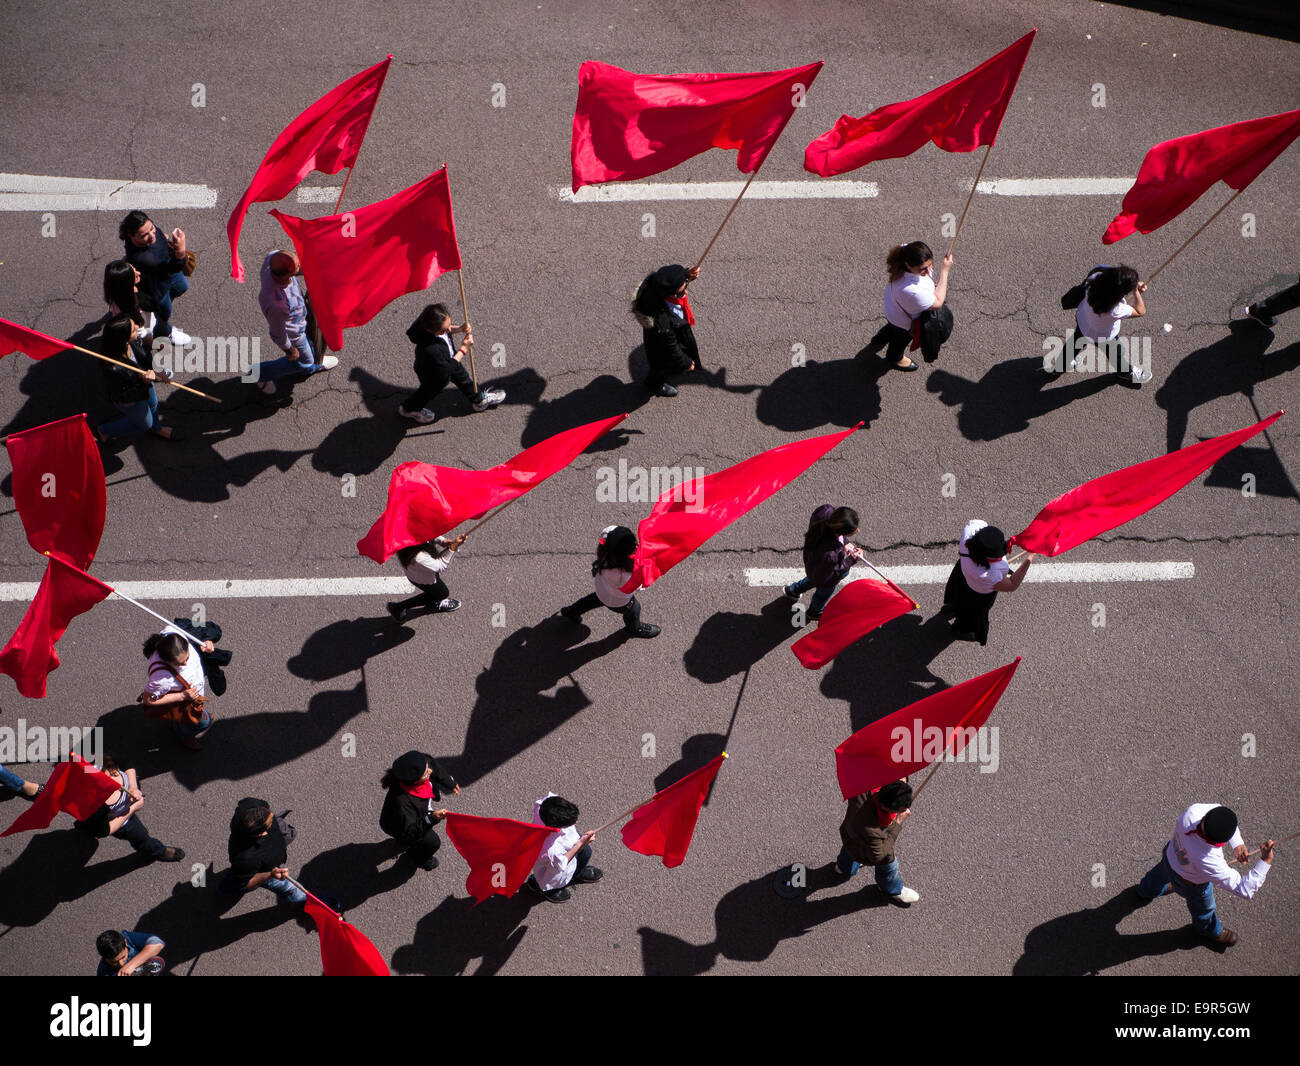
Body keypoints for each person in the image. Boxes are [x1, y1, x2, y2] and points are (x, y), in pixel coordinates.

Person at [1135, 804, 1275, 948]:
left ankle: (1145, 890)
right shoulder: (1209, 860)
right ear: (1220, 843)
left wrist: (1238, 844)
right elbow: (1244, 889)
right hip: (1190, 883)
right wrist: (1266, 861)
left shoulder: (1193, 812)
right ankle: (1208, 930)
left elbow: (1219, 809)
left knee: (1157, 877)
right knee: (1203, 909)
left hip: (1170, 856)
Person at [396, 303, 504, 423]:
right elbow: (447, 369)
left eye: (449, 325)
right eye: (443, 330)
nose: (448, 330)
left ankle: (478, 400)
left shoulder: (429, 321)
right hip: (435, 373)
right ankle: (408, 409)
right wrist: (464, 348)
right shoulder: (431, 349)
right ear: (430, 330)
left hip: (449, 358)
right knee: (426, 393)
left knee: (465, 379)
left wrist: (460, 329)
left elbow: (448, 331)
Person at [252, 249, 338, 396]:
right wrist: (290, 350)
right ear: (287, 275)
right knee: (303, 360)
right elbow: (278, 333)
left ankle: (313, 365)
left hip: (301, 319)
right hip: (295, 335)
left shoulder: (273, 257)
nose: (300, 269)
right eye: (297, 268)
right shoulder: (276, 304)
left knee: (310, 354)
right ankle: (259, 373)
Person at [74, 755, 184, 863]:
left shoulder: (102, 764)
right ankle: (158, 851)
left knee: (90, 823)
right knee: (141, 837)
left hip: (105, 815)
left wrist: (133, 786)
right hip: (123, 822)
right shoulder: (96, 804)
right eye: (100, 780)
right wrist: (132, 808)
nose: (109, 779)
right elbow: (106, 830)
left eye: (105, 771)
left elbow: (126, 762)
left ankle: (85, 826)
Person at [559, 525, 660, 638]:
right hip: (619, 601)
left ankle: (572, 612)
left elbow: (609, 532)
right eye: (634, 547)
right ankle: (634, 628)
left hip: (602, 591)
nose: (637, 546)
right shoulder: (624, 576)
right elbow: (638, 585)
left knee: (589, 601)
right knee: (634, 610)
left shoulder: (605, 554)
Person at [941, 520, 1032, 645]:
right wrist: (1029, 557)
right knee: (971, 616)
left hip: (962, 575)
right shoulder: (990, 575)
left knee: (957, 595)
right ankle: (962, 630)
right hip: (979, 596)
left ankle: (950, 608)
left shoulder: (970, 532)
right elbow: (1012, 585)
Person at [867, 241, 953, 372]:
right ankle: (894, 357)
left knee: (891, 327)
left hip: (895, 310)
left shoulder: (904, 254)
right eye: (923, 269)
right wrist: (945, 271)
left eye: (930, 265)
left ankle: (879, 339)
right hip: (905, 322)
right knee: (900, 340)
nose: (928, 270)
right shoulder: (911, 290)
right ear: (908, 265)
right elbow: (938, 302)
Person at [833, 779, 920, 905]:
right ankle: (890, 888)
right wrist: (898, 823)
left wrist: (900, 781)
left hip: (849, 834)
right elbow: (880, 856)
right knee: (890, 864)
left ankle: (843, 868)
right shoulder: (872, 830)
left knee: (849, 849)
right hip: (865, 846)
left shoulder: (864, 787)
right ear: (888, 808)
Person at [94, 314, 176, 443]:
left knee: (153, 405)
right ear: (123, 339)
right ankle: (104, 430)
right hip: (132, 401)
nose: (138, 327)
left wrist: (158, 371)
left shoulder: (134, 341)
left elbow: (145, 359)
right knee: (144, 424)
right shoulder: (111, 367)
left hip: (145, 384)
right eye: (133, 329)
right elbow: (122, 395)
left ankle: (157, 428)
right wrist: (144, 381)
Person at [1065, 264, 1151, 385]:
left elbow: (1105, 271)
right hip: (1102, 336)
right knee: (1116, 353)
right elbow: (1140, 311)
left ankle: (1062, 364)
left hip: (1083, 320)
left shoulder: (1094, 278)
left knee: (1075, 342)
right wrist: (1135, 291)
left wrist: (1129, 282)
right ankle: (1124, 373)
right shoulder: (1115, 310)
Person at [379, 751, 460, 870]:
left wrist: (448, 782)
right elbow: (411, 831)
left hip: (410, 820)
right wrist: (431, 818)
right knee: (432, 842)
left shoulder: (422, 764)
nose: (430, 771)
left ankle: (406, 844)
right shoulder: (402, 803)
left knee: (416, 840)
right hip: (400, 827)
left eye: (427, 768)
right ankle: (419, 859)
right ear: (414, 782)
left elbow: (434, 766)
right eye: (426, 773)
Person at [119, 210, 191, 344]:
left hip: (166, 273)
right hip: (156, 288)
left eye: (152, 228)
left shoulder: (149, 234)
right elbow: (173, 267)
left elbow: (157, 236)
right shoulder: (144, 258)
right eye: (144, 235)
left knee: (182, 287)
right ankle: (165, 332)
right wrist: (180, 252)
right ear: (131, 236)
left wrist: (164, 239)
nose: (152, 236)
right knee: (163, 313)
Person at [218, 798, 306, 906]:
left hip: (248, 868)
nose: (273, 815)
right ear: (260, 833)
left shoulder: (252, 806)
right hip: (266, 871)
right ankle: (309, 903)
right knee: (292, 889)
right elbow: (246, 883)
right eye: (270, 822)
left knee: (236, 877)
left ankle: (224, 889)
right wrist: (270, 874)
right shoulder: (246, 859)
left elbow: (258, 804)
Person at [137, 628, 214, 751]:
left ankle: (178, 725)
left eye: (187, 658)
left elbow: (197, 629)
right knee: (204, 722)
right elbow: (148, 700)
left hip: (190, 695)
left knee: (185, 720)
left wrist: (205, 641)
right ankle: (185, 736)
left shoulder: (174, 633)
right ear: (167, 661)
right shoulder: (162, 678)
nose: (185, 664)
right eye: (179, 663)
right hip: (185, 701)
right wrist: (182, 696)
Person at [633, 263, 702, 397]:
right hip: (661, 348)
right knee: (662, 369)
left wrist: (686, 274)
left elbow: (672, 278)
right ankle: (655, 385)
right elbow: (671, 345)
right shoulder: (662, 322)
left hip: (658, 339)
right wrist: (685, 362)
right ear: (671, 294)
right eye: (682, 290)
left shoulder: (656, 285)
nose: (686, 292)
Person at [783, 505, 862, 620]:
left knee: (812, 579)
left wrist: (845, 542)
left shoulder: (825, 512)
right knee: (822, 595)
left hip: (813, 564)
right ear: (841, 532)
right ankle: (814, 612)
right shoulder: (830, 555)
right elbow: (834, 573)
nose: (857, 530)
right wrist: (851, 560)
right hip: (825, 577)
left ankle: (793, 590)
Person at [527, 792, 602, 903]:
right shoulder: (551, 850)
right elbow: (560, 864)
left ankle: (576, 872)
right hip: (555, 864)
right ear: (556, 826)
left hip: (571, 841)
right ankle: (546, 890)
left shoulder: (545, 805)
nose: (577, 821)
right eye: (570, 822)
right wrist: (581, 844)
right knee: (553, 879)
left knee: (585, 853)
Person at [387, 534, 466, 621]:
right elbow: (440, 566)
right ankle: (398, 607)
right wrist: (452, 548)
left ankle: (432, 605)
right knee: (442, 593)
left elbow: (429, 532)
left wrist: (443, 541)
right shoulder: (419, 557)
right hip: (423, 579)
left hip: (419, 574)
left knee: (433, 593)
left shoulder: (408, 541)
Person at [102, 260, 154, 340]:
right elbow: (141, 332)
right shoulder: (136, 304)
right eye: (133, 275)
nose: (138, 273)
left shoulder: (115, 293)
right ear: (126, 283)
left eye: (134, 269)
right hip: (144, 326)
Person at [95, 930, 165, 976]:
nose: (121, 964)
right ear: (104, 958)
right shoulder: (103, 972)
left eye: (123, 957)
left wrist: (131, 965)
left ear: (125, 942)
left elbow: (158, 944)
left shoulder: (128, 938)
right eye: (114, 962)